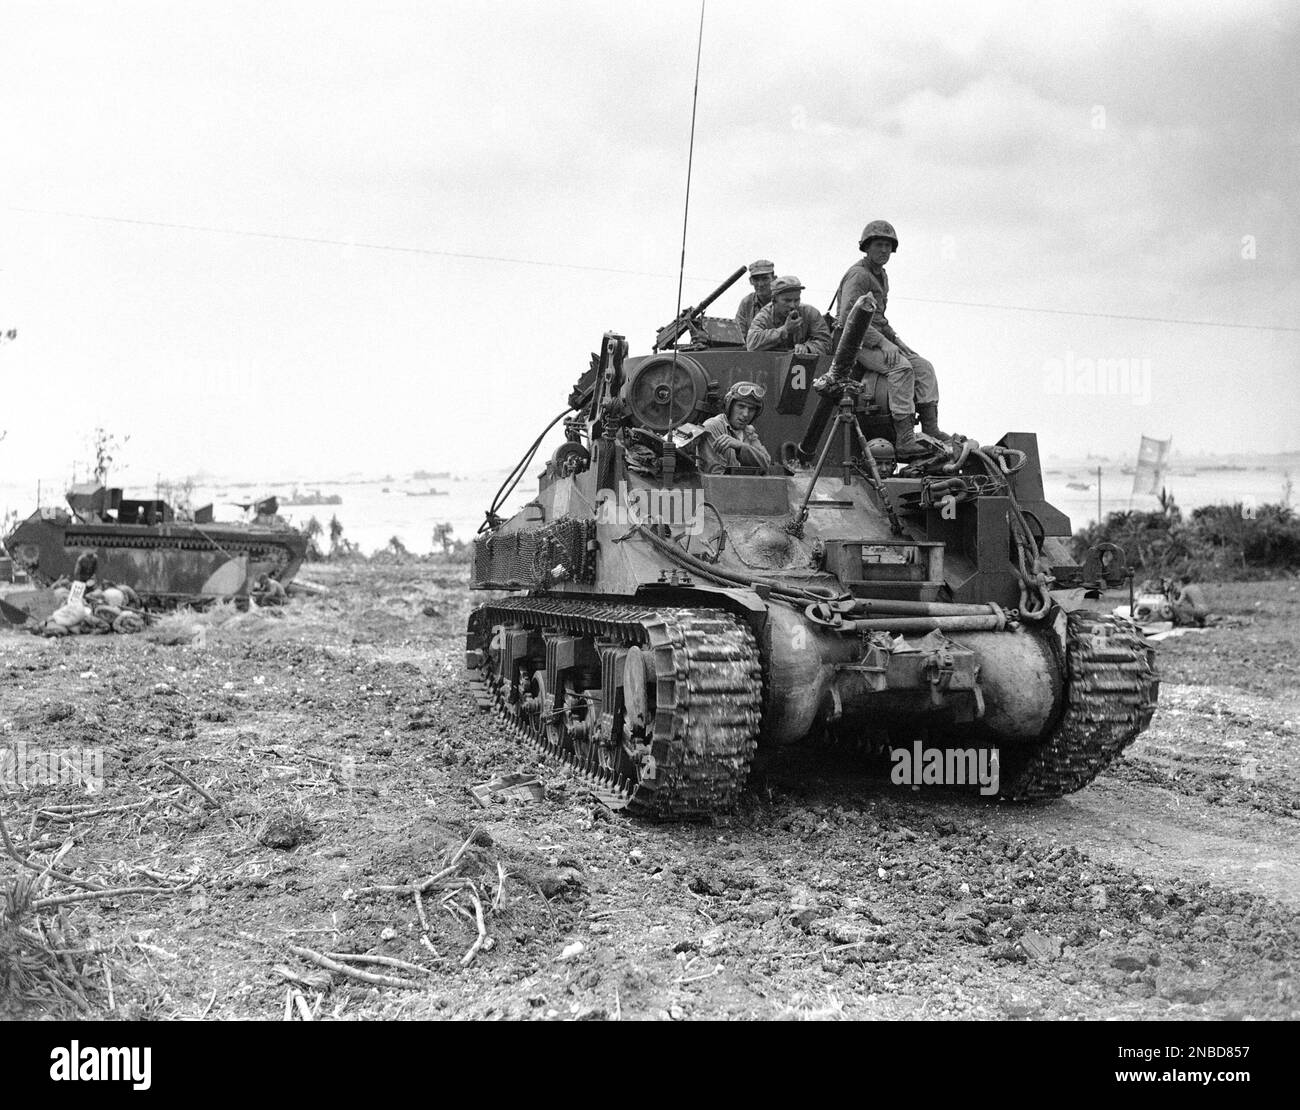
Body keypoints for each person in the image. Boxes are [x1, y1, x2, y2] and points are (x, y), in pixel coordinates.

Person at [834, 220, 947, 458]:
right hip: (854, 344)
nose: (884, 250)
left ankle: (930, 428)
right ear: (867, 246)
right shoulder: (859, 275)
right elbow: (848, 320)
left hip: (876, 338)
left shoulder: (881, 276)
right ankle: (904, 438)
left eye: (887, 245)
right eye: (878, 244)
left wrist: (896, 340)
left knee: (923, 367)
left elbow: (879, 318)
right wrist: (884, 343)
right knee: (902, 369)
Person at [746, 276, 832, 357]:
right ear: (774, 300)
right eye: (787, 300)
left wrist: (807, 348)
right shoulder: (764, 316)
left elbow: (826, 344)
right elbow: (751, 344)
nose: (792, 305)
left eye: (796, 300)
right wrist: (784, 330)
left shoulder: (810, 313)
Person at [699, 382, 772, 474]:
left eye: (751, 409)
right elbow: (715, 475)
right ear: (729, 406)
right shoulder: (713, 427)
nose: (746, 414)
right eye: (741, 406)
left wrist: (742, 447)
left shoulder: (748, 432)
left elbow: (765, 465)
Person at [735, 259, 775, 339]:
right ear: (750, 281)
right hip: (753, 350)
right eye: (756, 279)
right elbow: (739, 336)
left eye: (765, 278)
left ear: (774, 279)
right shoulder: (746, 303)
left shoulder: (784, 300)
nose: (760, 284)